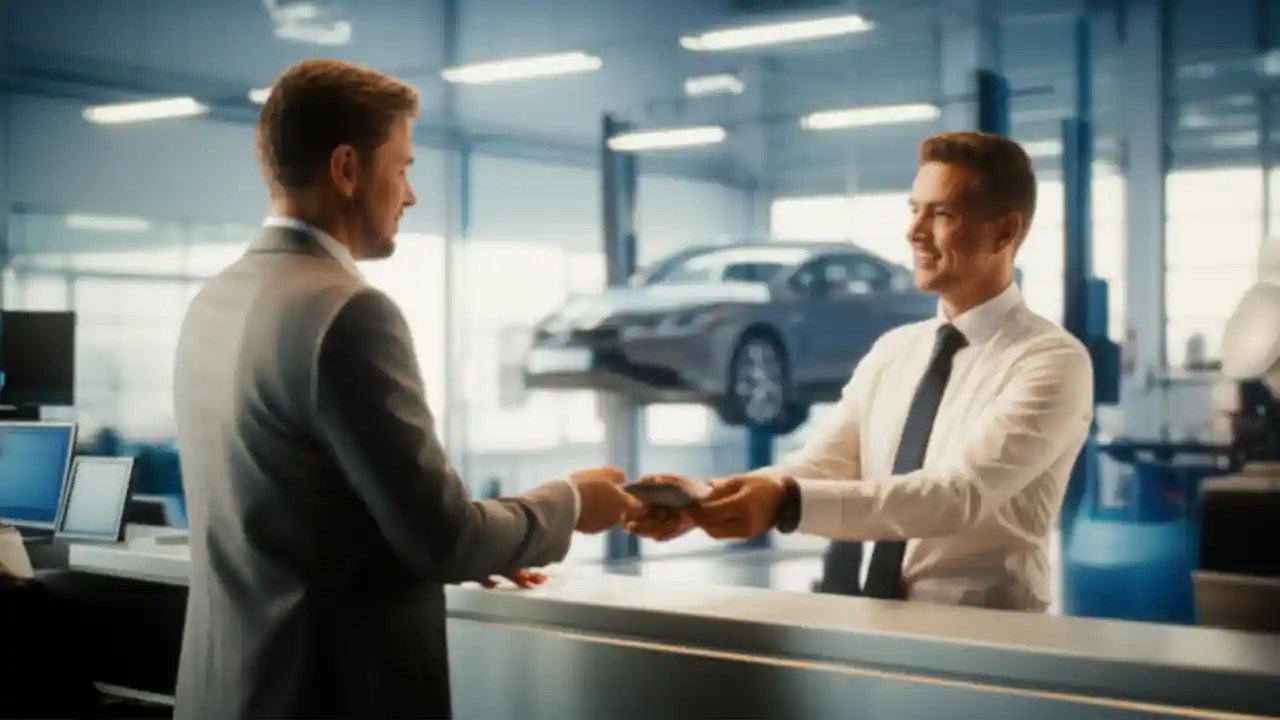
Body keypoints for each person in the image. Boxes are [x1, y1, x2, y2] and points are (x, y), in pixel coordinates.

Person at [172, 59, 642, 719]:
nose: (410, 194)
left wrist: (473, 538)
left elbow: (301, 505)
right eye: (402, 167)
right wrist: (570, 502)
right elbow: (443, 539)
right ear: (346, 169)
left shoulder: (213, 302)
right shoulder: (348, 313)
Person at [630, 132, 1094, 612]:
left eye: (941, 214)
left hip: (986, 638)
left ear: (1004, 232)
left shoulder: (1051, 361)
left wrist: (783, 502)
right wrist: (710, 499)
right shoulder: (893, 351)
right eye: (913, 209)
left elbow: (955, 496)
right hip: (875, 621)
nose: (914, 232)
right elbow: (821, 465)